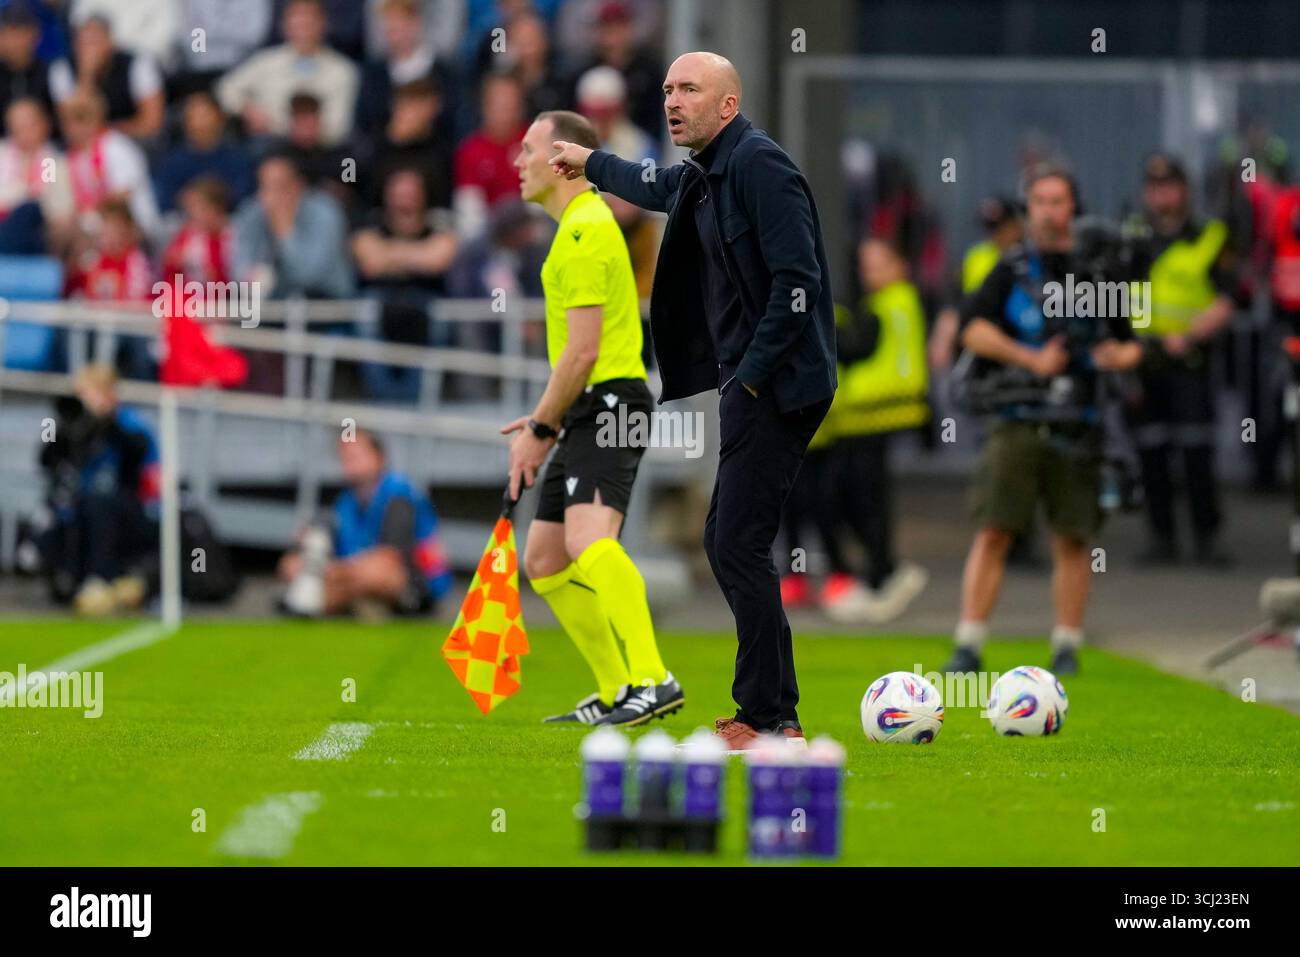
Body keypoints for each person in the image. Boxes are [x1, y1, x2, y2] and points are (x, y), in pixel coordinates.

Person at [548, 52, 837, 750]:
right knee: (727, 539)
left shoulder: (760, 167)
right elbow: (649, 183)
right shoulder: (705, 171)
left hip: (778, 384)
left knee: (735, 540)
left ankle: (773, 717)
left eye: (690, 89)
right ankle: (767, 710)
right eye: (670, 88)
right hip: (751, 381)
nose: (673, 100)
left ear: (728, 105)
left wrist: (751, 377)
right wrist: (590, 162)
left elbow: (799, 284)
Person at [507, 108, 681, 727]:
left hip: (611, 402)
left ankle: (653, 678)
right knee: (547, 560)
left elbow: (582, 351)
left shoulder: (583, 230)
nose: (517, 163)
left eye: (527, 150)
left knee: (587, 541)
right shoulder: (579, 226)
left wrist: (538, 429)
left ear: (561, 159)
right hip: (592, 403)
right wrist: (543, 418)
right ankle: (616, 689)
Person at [940, 164, 1143, 678]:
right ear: (1028, 211)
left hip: (1079, 419)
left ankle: (1067, 644)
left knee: (1073, 536)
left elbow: (1130, 343)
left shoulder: (1100, 271)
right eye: (1040, 201)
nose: (1050, 211)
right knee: (994, 529)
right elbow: (972, 331)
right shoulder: (1010, 267)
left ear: (1074, 206)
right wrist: (1031, 360)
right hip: (1018, 417)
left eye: (1059, 200)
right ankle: (968, 643)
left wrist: (1115, 357)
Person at [788, 237, 930, 623]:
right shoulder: (893, 304)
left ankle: (882, 574)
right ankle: (879, 573)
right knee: (852, 498)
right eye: (866, 265)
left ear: (900, 265)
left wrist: (821, 320)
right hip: (867, 418)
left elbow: (854, 348)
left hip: (871, 417)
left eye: (879, 264)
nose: (870, 273)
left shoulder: (886, 306)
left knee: (851, 498)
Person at [1124, 154, 1235, 566]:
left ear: (1184, 190)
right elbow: (1119, 295)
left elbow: (1229, 298)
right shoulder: (1132, 236)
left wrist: (1188, 335)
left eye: (1168, 186)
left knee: (1196, 451)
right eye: (1154, 188)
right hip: (1145, 361)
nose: (1160, 195)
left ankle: (1206, 539)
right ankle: (1161, 539)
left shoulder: (1210, 235)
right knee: (1150, 451)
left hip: (1191, 361)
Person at [278, 428, 452, 617]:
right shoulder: (345, 501)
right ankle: (334, 603)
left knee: (376, 572)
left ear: (379, 457)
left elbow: (389, 559)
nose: (349, 460)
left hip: (414, 587)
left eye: (357, 454)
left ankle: (316, 603)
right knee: (293, 564)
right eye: (345, 455)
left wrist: (330, 571)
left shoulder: (398, 495)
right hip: (350, 576)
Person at [37, 364, 159, 616]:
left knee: (99, 503)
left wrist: (107, 421)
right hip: (78, 508)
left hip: (126, 508)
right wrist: (66, 429)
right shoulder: (71, 424)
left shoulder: (128, 422)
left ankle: (100, 579)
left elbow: (141, 456)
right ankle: (75, 579)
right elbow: (46, 460)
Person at [215, 0, 359, 147]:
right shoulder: (265, 61)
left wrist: (306, 132)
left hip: (323, 150)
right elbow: (225, 89)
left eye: (309, 24)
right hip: (271, 144)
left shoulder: (343, 70)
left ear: (324, 25)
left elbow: (339, 129)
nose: (303, 31)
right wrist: (247, 109)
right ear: (285, 26)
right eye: (298, 24)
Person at [231, 152, 355, 299]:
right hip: (274, 306)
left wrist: (284, 230)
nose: (272, 196)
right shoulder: (252, 212)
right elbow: (238, 267)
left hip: (329, 305)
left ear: (298, 186)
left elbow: (310, 276)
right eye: (266, 186)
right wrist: (252, 275)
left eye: (279, 187)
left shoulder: (325, 212)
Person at [48, 14, 164, 141]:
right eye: (83, 43)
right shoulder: (62, 69)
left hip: (131, 140)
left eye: (95, 42)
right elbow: (73, 123)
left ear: (110, 41)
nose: (89, 50)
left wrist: (107, 135)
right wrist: (86, 75)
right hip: (83, 144)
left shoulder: (138, 64)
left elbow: (151, 123)